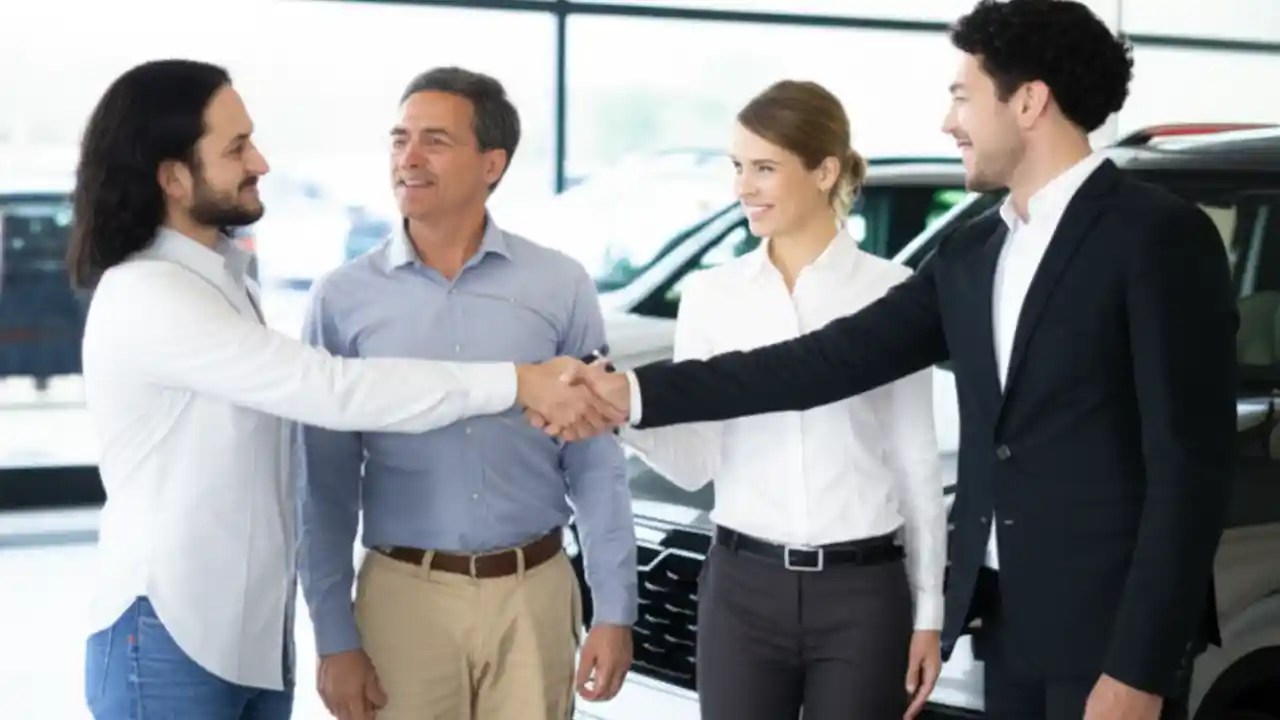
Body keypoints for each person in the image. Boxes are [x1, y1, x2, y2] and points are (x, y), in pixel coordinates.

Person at [555, 1, 1237, 718]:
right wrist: (630, 393)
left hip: (1110, 639)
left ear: (1029, 101)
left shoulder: (1159, 236)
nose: (948, 122)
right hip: (1011, 627)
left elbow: (1190, 472)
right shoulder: (975, 251)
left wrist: (1140, 668)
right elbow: (820, 363)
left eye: (963, 97)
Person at [71, 59, 616, 720]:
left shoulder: (222, 283)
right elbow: (330, 394)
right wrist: (517, 381)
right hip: (169, 633)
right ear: (174, 177)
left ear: (493, 164)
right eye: (237, 148)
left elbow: (596, 461)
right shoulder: (151, 294)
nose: (261, 162)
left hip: (246, 639)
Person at [295, 67, 636, 720]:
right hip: (403, 601)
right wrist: (334, 637)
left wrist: (615, 608)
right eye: (400, 139)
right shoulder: (341, 299)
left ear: (492, 163)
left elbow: (595, 461)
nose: (408, 158)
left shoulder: (559, 285)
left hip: (535, 596)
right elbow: (322, 484)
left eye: (435, 141)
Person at [608, 80, 945, 719]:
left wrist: (929, 613)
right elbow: (696, 463)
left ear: (825, 171)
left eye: (764, 168)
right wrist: (619, 414)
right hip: (742, 591)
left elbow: (915, 463)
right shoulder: (710, 295)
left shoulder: (893, 293)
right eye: (737, 166)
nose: (743, 187)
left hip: (863, 596)